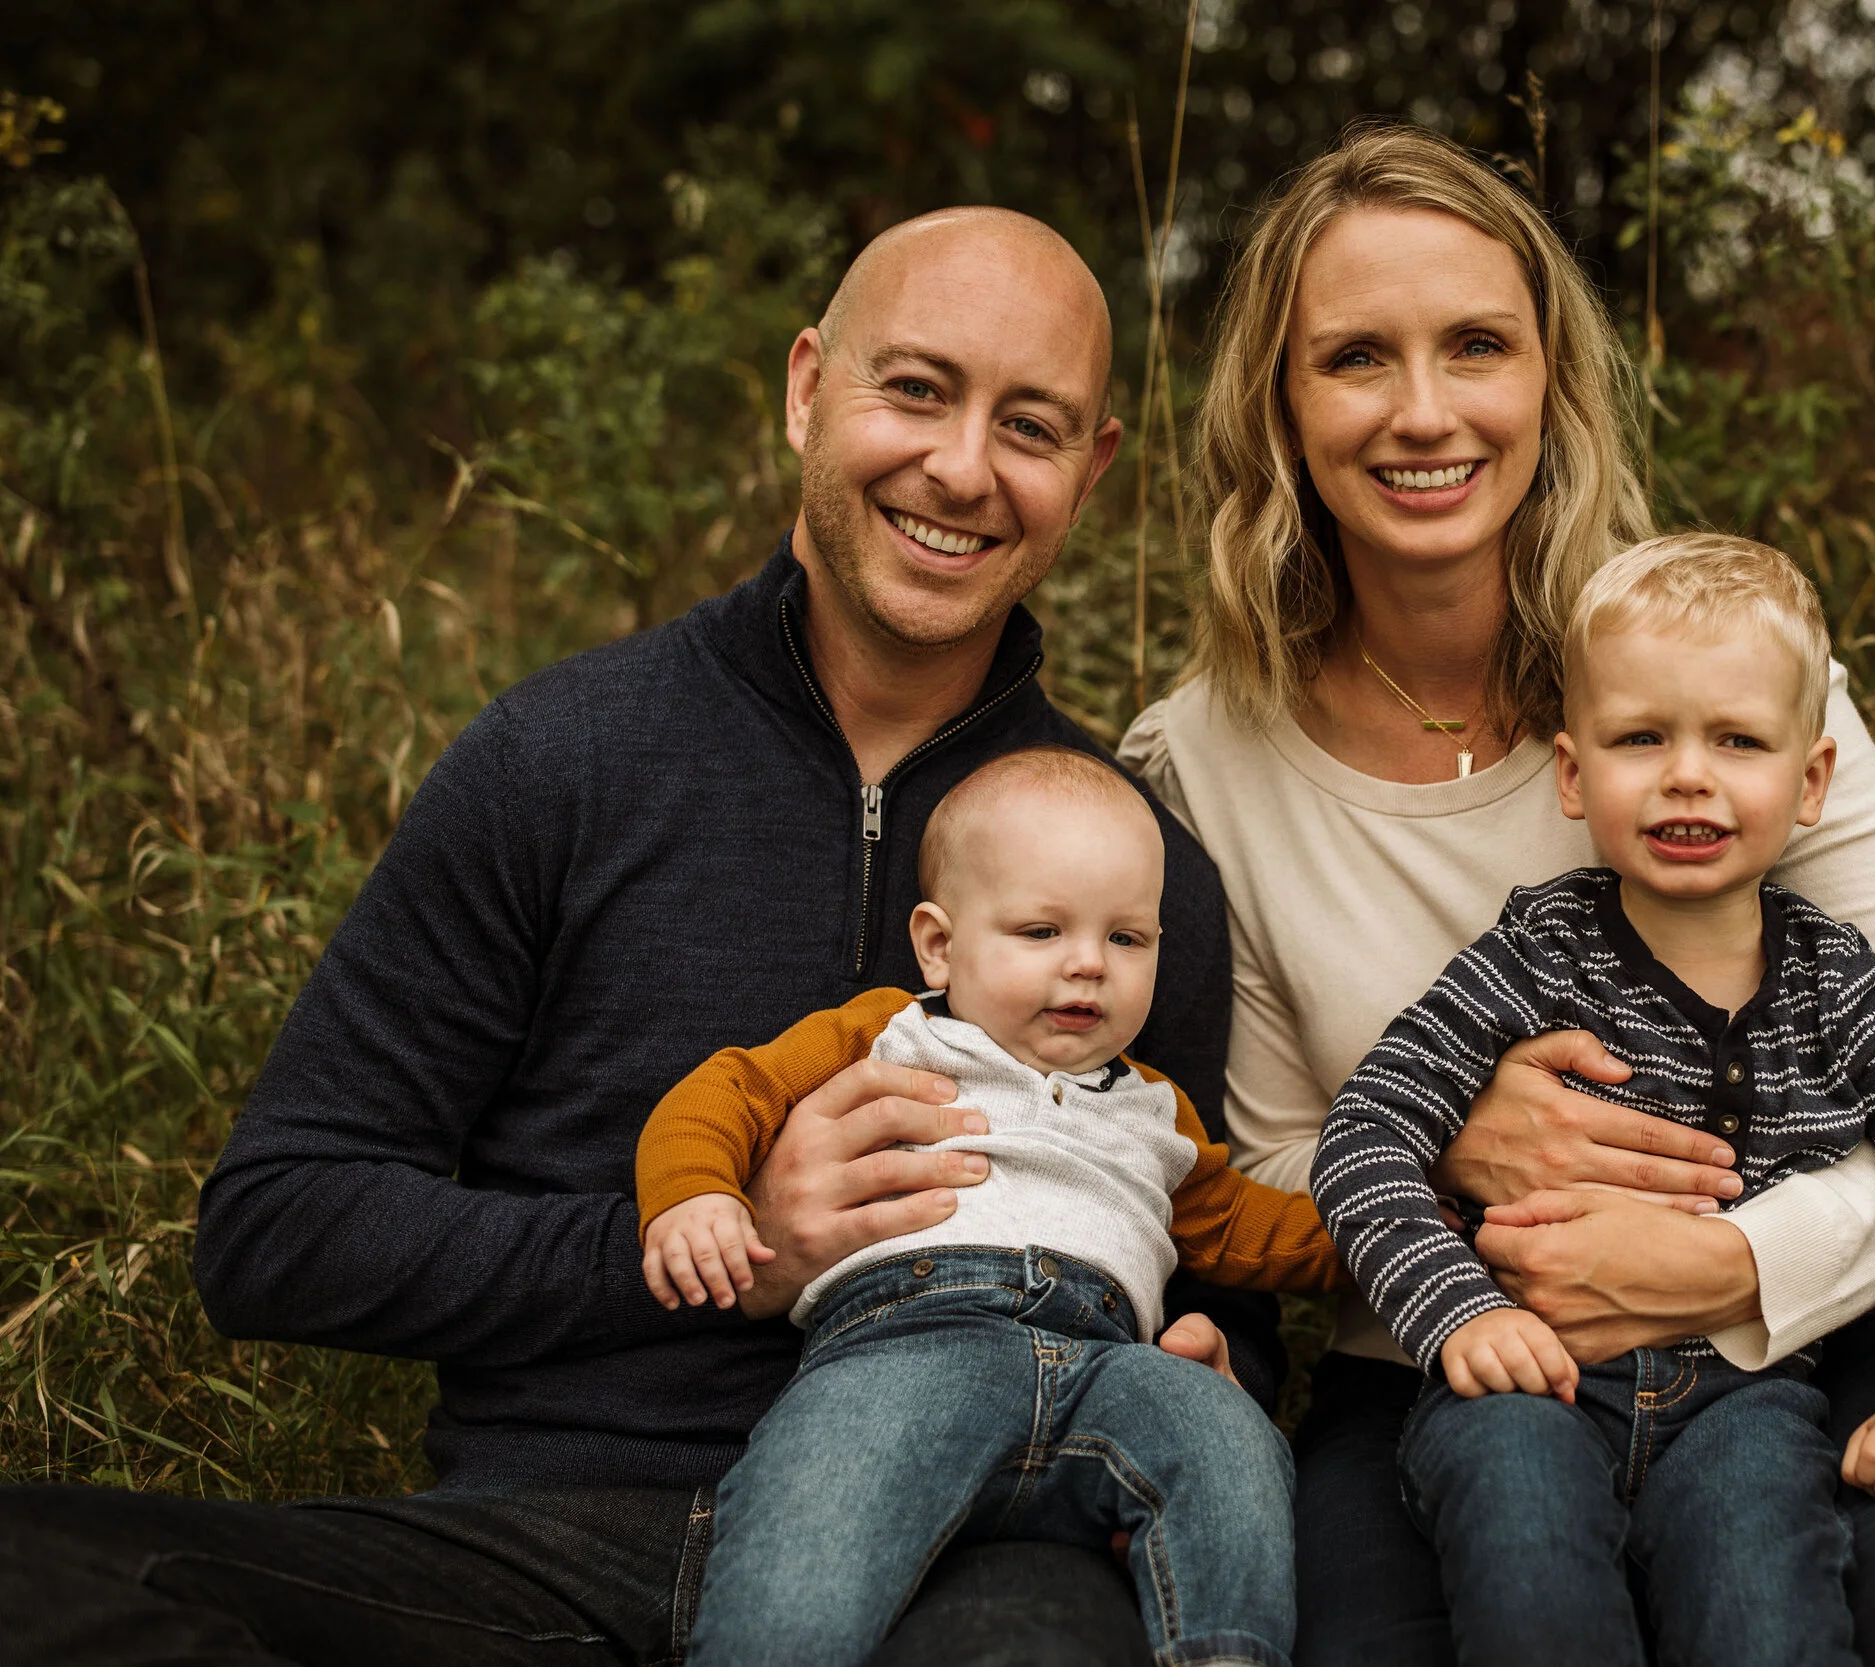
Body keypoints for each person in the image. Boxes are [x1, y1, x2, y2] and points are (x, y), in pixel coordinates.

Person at [0, 208, 1265, 1666]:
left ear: (1090, 470)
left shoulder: (1129, 871)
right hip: (549, 1537)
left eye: (1029, 425)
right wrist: (709, 1243)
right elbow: (277, 1226)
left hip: (959, 1544)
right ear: (806, 388)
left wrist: (1205, 1350)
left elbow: (1217, 1254)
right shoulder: (565, 756)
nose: (964, 467)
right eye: (914, 389)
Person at [1118, 122, 1875, 1665]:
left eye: (1478, 345)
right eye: (1353, 359)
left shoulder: (1727, 679)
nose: (1425, 411)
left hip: (1818, 1325)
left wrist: (1727, 1267)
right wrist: (1456, 1148)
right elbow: (1259, 1144)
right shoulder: (1203, 759)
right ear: (1279, 403)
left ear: (1551, 379)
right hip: (1447, 1351)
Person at [1312, 534, 1875, 1665]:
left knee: (1764, 1605)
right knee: (1530, 1570)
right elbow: (1362, 1139)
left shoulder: (1851, 989)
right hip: (1528, 1379)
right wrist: (1460, 1310)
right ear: (1571, 771)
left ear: (1809, 783)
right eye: (1640, 737)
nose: (1686, 773)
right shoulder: (1534, 955)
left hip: (1741, 1393)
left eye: (1735, 740)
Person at [635, 747, 1341, 1666]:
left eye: (1127, 938)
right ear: (939, 942)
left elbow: (1248, 1227)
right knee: (817, 1511)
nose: (1089, 964)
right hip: (911, 1343)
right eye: (1042, 931)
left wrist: (1399, 1234)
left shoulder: (1155, 1106)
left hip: (1109, 1363)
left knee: (1223, 1435)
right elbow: (727, 1092)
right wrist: (694, 1196)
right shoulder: (893, 1031)